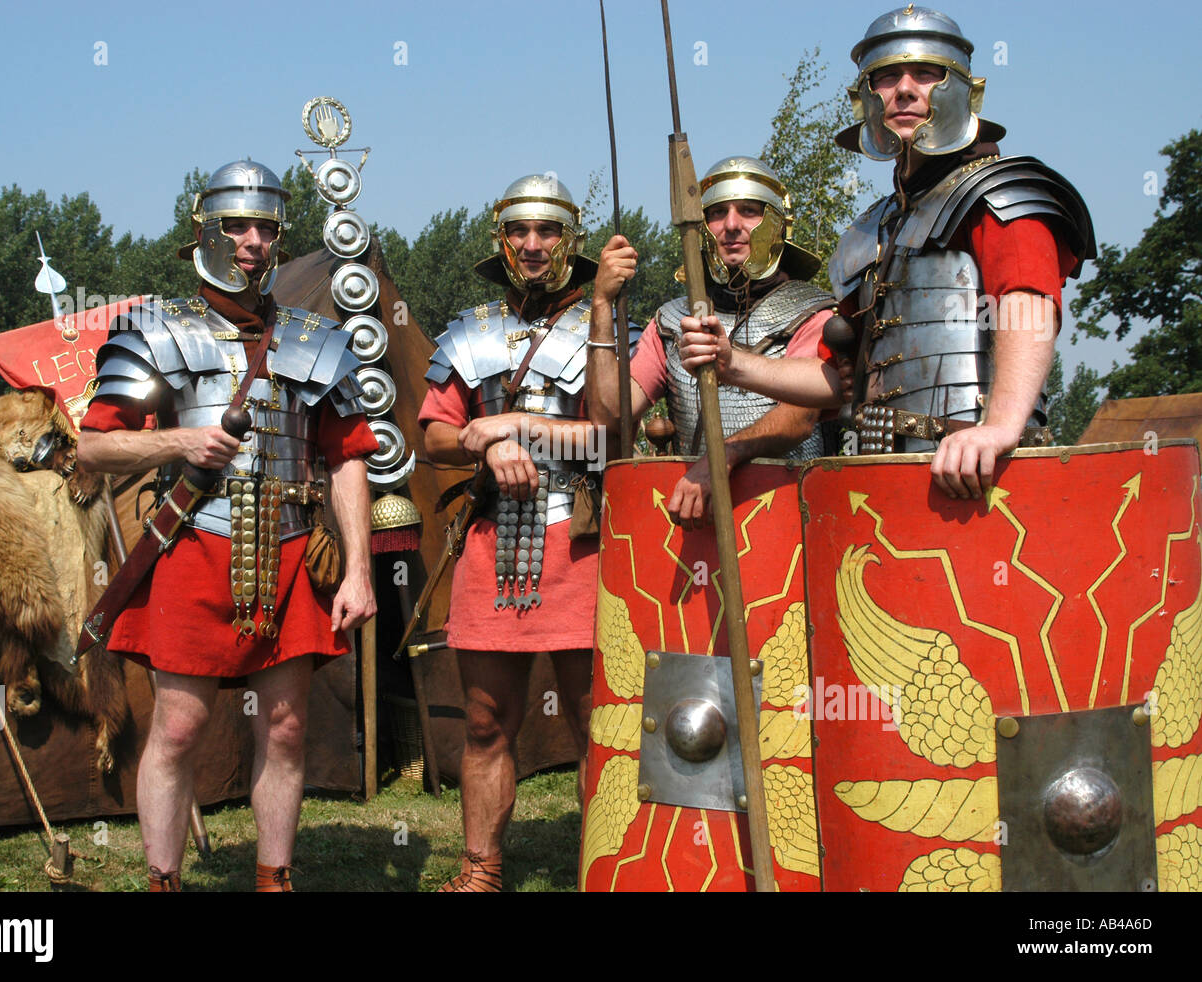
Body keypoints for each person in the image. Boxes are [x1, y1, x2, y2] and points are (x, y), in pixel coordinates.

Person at [77, 160, 378, 892]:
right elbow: (92, 446)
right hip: (193, 546)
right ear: (203, 231)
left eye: (266, 227)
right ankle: (162, 880)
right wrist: (178, 441)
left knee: (286, 728)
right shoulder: (153, 331)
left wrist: (362, 569)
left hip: (290, 549)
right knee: (177, 731)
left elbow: (347, 460)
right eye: (236, 226)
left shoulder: (316, 337)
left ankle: (273, 877)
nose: (252, 241)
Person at [679, 7, 1094, 501]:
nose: (904, 89)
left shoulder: (999, 195)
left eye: (926, 73)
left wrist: (1000, 426)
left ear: (967, 89)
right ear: (865, 97)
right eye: (887, 76)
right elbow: (837, 380)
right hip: (885, 474)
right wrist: (733, 364)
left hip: (982, 475)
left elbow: (1028, 304)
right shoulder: (875, 228)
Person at [418, 174, 618, 891]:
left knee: (601, 723)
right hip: (491, 544)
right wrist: (485, 444)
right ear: (500, 238)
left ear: (572, 238)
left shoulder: (607, 324)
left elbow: (608, 437)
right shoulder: (470, 329)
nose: (533, 245)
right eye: (519, 231)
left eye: (549, 231)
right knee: (484, 721)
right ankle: (481, 870)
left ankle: (608, 867)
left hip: (581, 543)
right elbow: (434, 433)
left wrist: (521, 427)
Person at [588, 156, 836, 529]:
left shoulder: (811, 313)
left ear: (777, 223)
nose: (731, 226)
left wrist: (721, 458)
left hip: (788, 517)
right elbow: (611, 416)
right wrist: (602, 304)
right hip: (698, 522)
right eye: (717, 214)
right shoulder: (674, 322)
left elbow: (798, 418)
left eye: (749, 211)